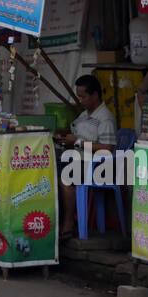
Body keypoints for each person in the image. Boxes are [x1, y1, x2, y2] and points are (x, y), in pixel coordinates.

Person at [56, 75, 121, 238]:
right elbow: (76, 138)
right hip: (81, 161)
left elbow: (107, 148)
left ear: (95, 95)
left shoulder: (105, 118)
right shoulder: (84, 115)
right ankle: (57, 222)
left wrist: (77, 142)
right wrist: (66, 140)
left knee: (65, 178)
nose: (80, 100)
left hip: (99, 166)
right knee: (51, 169)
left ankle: (68, 223)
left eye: (83, 96)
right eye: (78, 96)